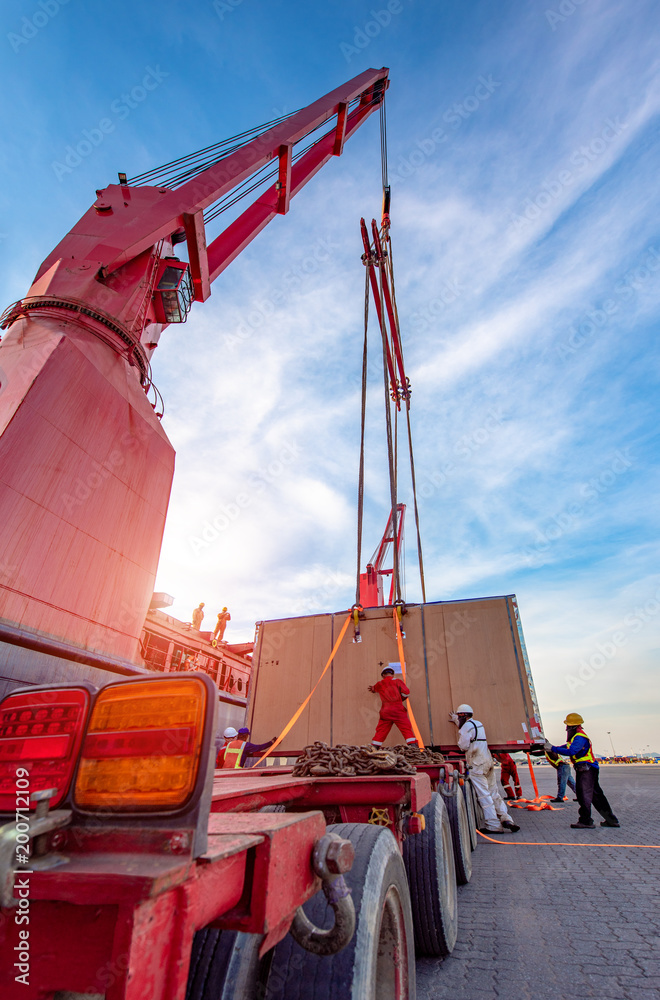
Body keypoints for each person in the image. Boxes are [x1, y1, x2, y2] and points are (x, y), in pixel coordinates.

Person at [449, 704, 520, 834]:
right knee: (494, 792)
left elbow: (463, 746)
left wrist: (460, 735)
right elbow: (469, 729)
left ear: (462, 716)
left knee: (484, 795)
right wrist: (457, 721)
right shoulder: (478, 724)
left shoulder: (466, 727)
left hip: (477, 764)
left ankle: (493, 825)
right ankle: (506, 818)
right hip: (487, 761)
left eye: (459, 716)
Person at [545, 713, 619, 829]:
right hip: (588, 769)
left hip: (586, 770)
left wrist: (552, 748)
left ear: (572, 727)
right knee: (596, 796)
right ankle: (611, 820)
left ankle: (586, 821)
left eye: (568, 726)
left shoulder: (579, 737)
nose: (566, 729)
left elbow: (572, 751)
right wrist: (552, 747)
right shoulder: (576, 737)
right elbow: (567, 747)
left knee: (583, 795)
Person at [368, 665, 417, 747]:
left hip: (386, 711)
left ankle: (374, 747)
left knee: (381, 730)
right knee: (406, 729)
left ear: (383, 675)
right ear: (393, 674)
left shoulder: (380, 683)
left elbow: (373, 689)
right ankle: (413, 746)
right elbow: (406, 693)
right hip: (398, 710)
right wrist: (400, 699)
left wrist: (372, 688)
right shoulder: (398, 681)